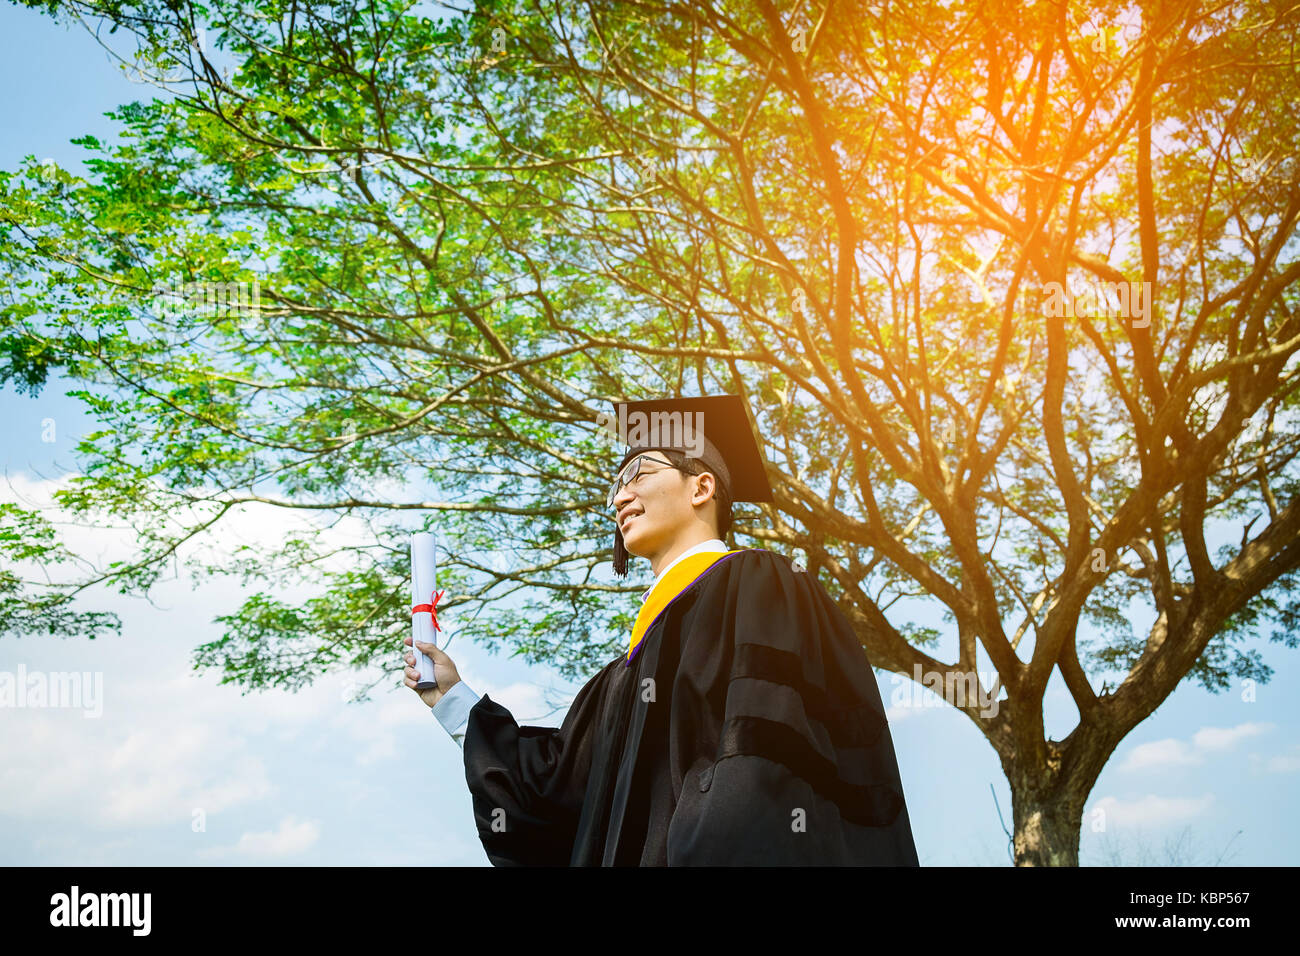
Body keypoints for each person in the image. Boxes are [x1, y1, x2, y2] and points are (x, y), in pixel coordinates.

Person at [403, 394, 920, 865]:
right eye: (617, 484)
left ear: (701, 486)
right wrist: (450, 696)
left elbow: (768, 753)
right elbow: (557, 792)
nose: (620, 495)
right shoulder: (620, 676)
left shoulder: (760, 585)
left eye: (640, 473)